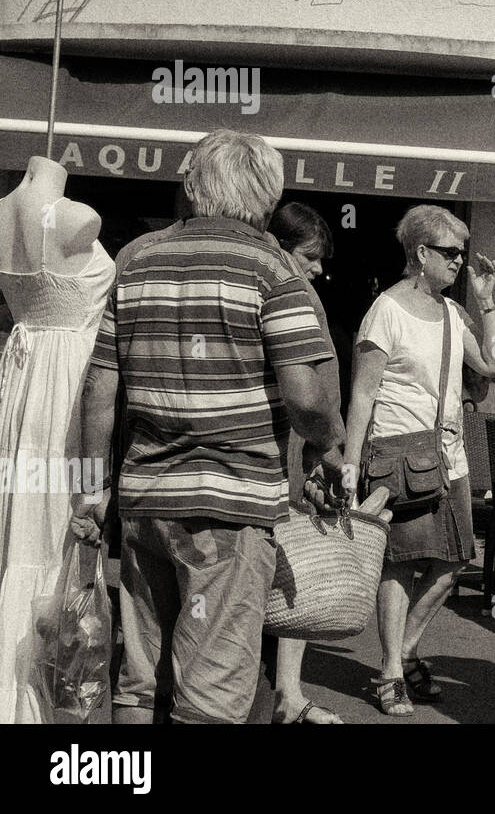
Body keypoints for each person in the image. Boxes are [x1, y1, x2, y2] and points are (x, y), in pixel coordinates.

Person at [76, 130, 345, 724]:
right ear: (267, 198)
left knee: (139, 680)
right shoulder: (271, 268)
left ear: (194, 186)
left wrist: (91, 487)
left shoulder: (136, 258)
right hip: (230, 507)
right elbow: (305, 397)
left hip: (145, 501)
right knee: (214, 693)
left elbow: (99, 389)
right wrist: (329, 443)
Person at [342, 204, 495, 716]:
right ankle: (392, 669)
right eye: (451, 253)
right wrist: (350, 466)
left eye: (462, 253)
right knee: (401, 562)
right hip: (398, 454)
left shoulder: (454, 313)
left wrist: (485, 304)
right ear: (420, 253)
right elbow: (363, 394)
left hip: (449, 458)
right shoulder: (385, 310)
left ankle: (406, 649)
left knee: (453, 562)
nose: (461, 261)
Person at [0, 156, 113, 723]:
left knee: (25, 522)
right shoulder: (76, 218)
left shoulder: (3, 213)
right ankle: (29, 694)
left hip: (22, 386)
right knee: (49, 531)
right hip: (68, 385)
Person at [263, 202, 346, 724]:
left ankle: (288, 692)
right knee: (288, 562)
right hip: (292, 440)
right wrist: (329, 450)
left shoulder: (294, 289)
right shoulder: (284, 290)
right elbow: (312, 383)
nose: (317, 268)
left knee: (290, 563)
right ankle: (285, 694)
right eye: (309, 256)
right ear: (280, 244)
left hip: (296, 440)